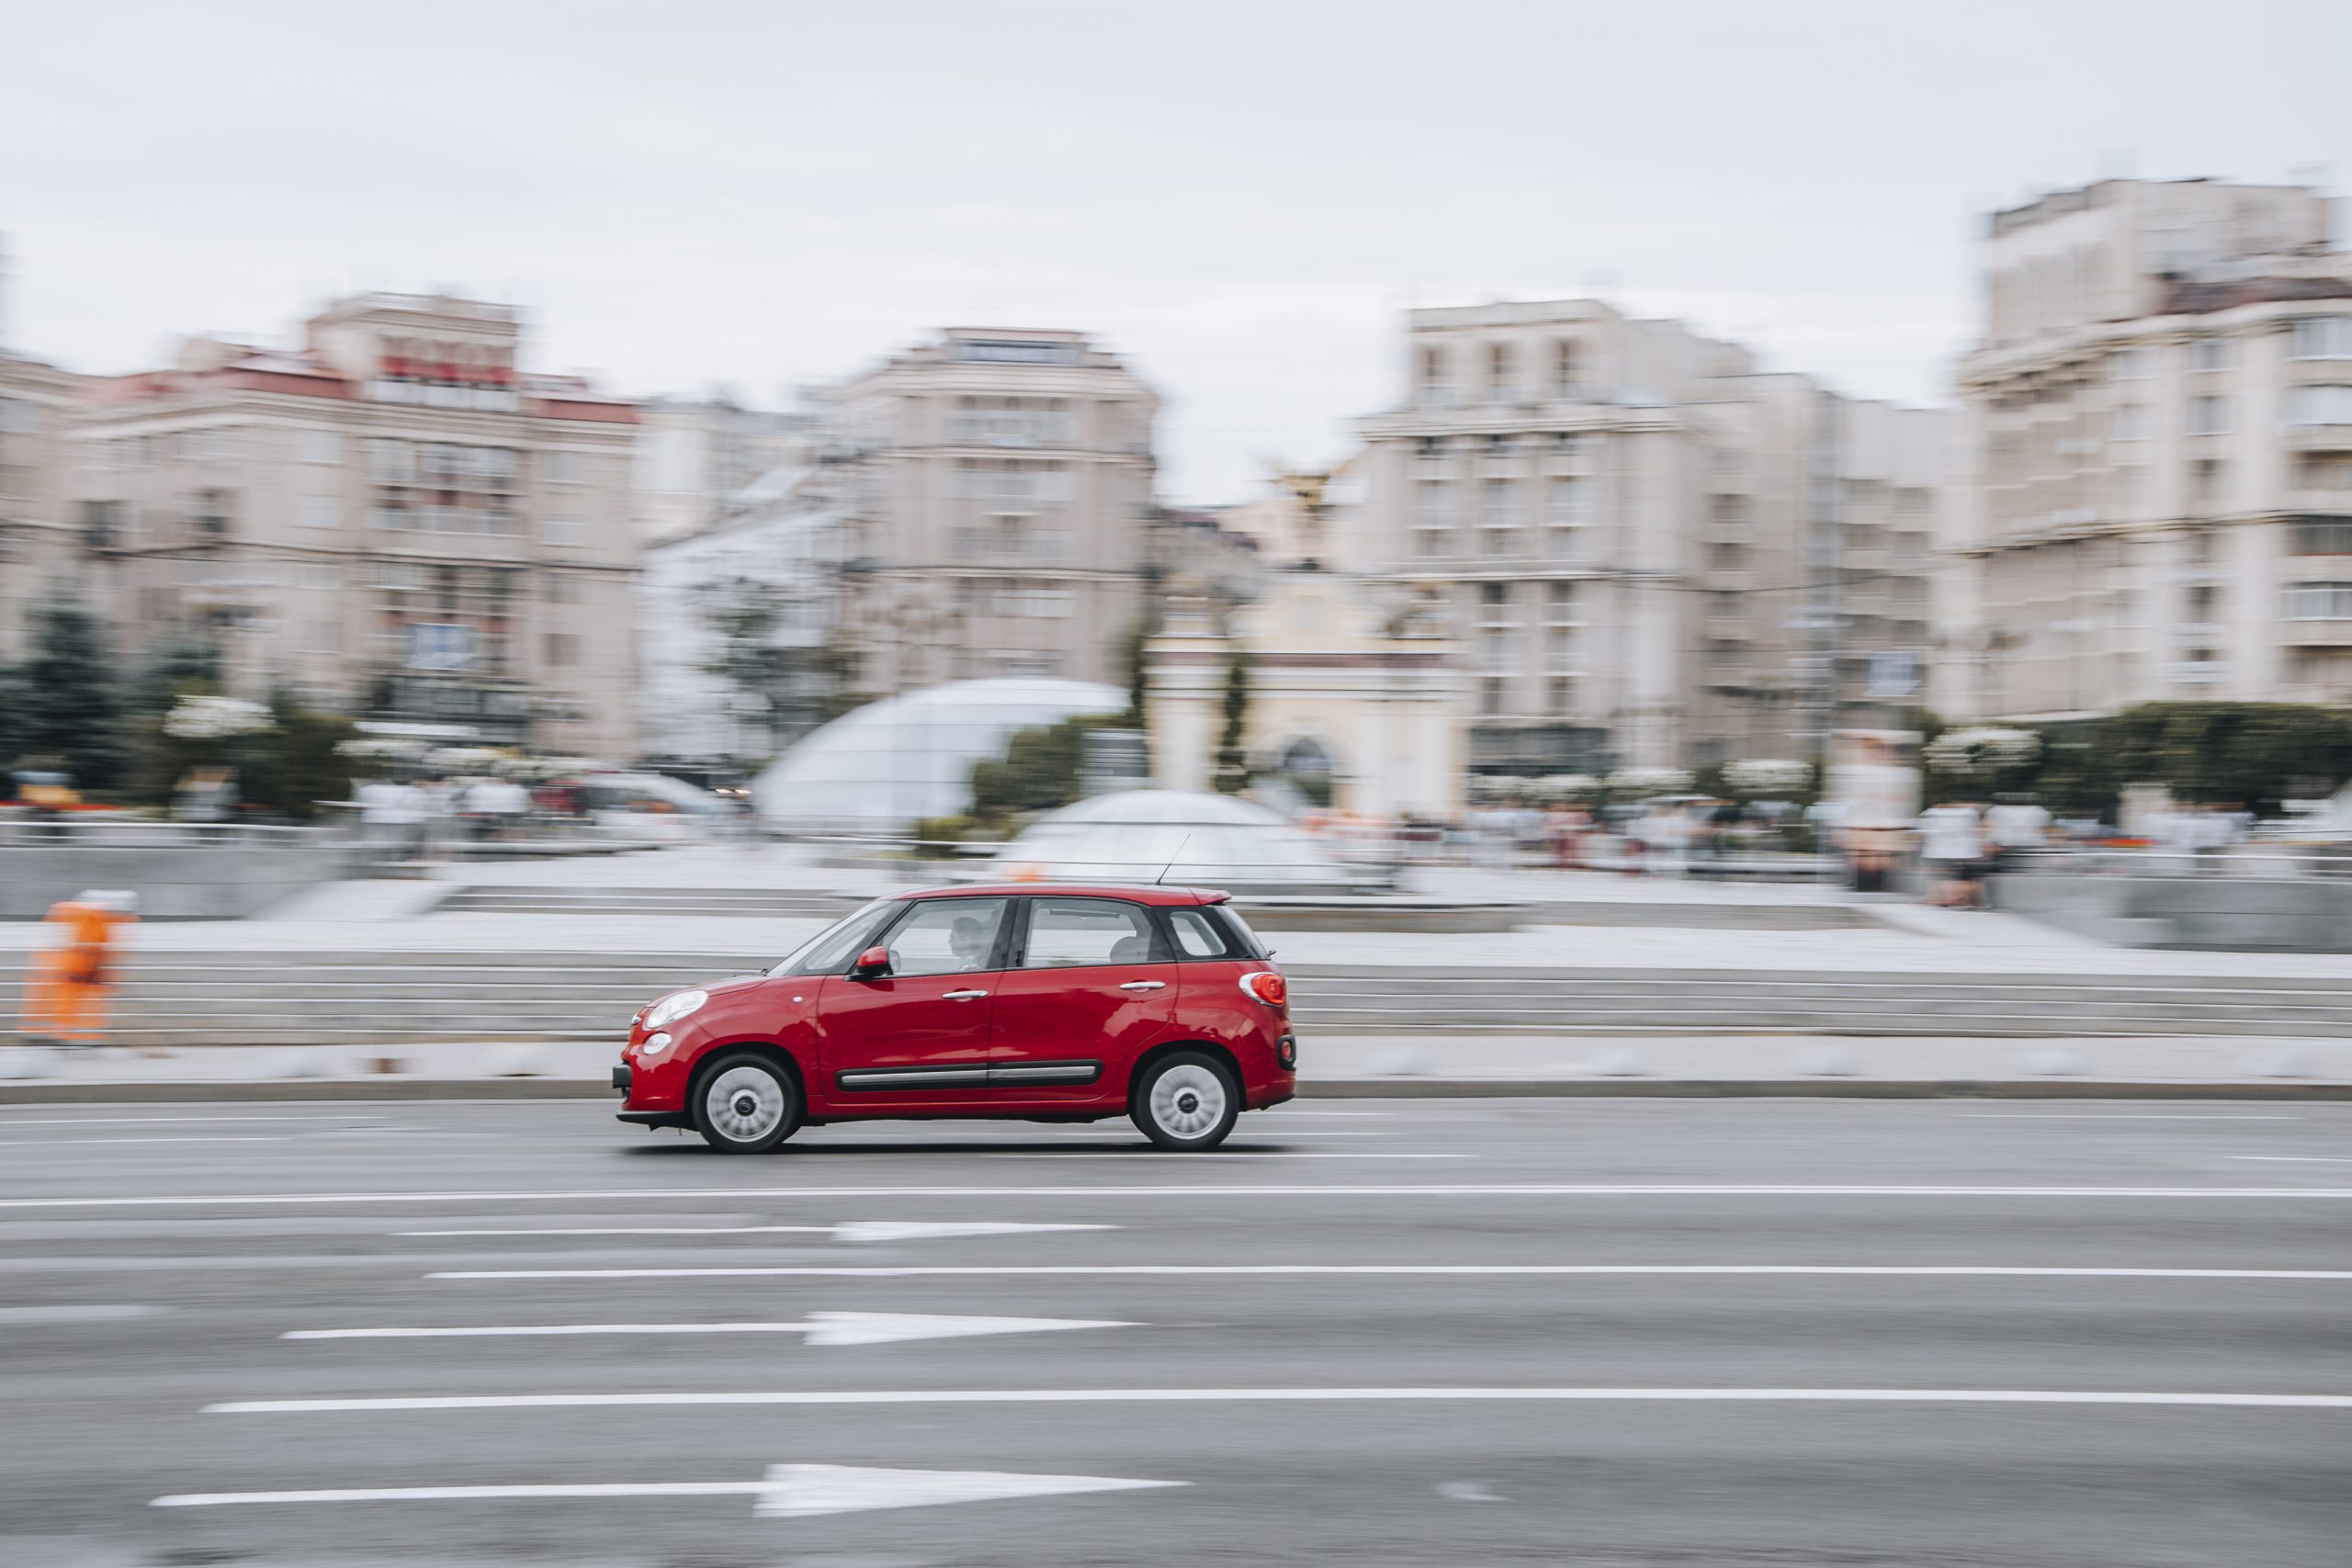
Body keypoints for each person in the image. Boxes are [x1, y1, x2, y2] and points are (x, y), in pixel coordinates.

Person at [21, 890, 139, 1052]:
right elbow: (88, 948)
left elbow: (99, 949)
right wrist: (89, 971)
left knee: (71, 1004)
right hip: (70, 969)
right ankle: (60, 1035)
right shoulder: (91, 918)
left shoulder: (85, 915)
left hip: (68, 968)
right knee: (66, 1003)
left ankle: (63, 1035)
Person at [1918, 800, 1985, 908]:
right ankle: (1962, 900)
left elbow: (1923, 833)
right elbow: (1978, 830)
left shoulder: (1930, 813)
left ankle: (1948, 899)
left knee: (1942, 878)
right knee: (1964, 878)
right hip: (1966, 851)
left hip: (1937, 851)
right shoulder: (1969, 813)